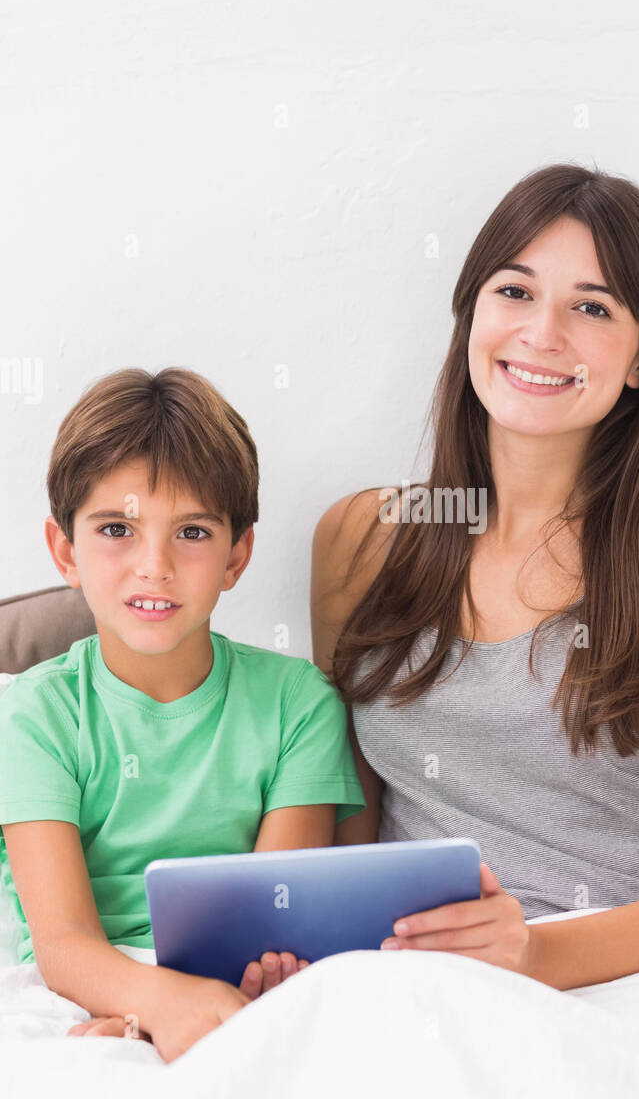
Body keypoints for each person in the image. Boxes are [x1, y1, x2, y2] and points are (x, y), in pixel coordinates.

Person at [312, 162, 639, 991]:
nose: (543, 334)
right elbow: (348, 841)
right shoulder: (361, 538)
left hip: (626, 987)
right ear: (471, 314)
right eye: (514, 292)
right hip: (412, 986)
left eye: (591, 307)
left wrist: (536, 957)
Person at [0, 367, 366, 1061]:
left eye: (192, 532)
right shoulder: (34, 715)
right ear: (65, 551)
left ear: (237, 557)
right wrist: (151, 1007)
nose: (154, 565)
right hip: (80, 992)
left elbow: (273, 910)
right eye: (117, 529)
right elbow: (64, 945)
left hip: (240, 980)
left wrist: (193, 1002)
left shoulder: (298, 704)